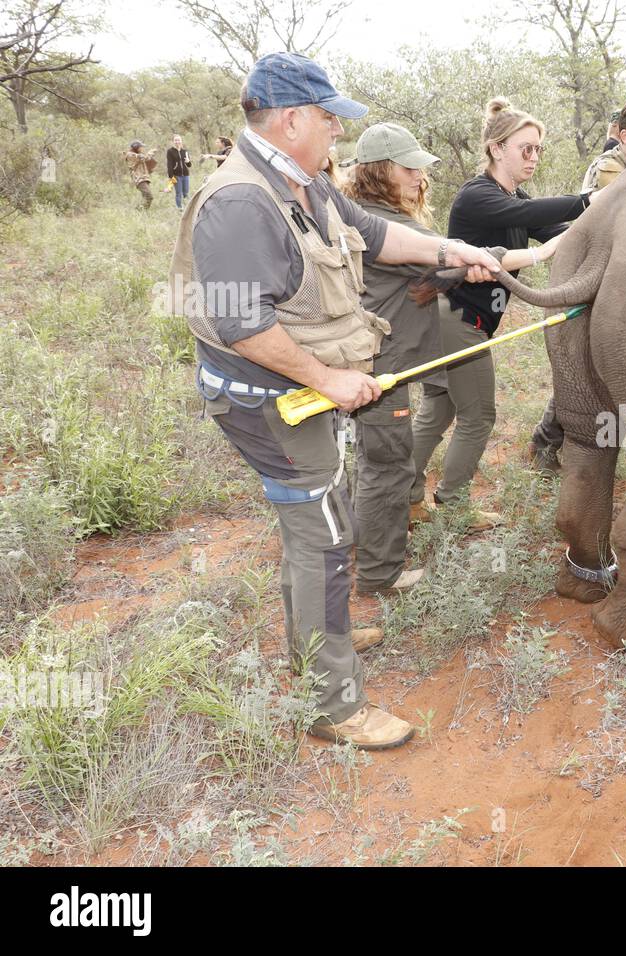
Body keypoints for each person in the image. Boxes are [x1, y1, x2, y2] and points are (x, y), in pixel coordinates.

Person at [169, 53, 502, 750]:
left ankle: (314, 645)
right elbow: (242, 325)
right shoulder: (239, 201)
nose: (335, 135)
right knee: (324, 534)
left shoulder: (301, 182)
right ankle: (334, 703)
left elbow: (378, 235)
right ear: (291, 120)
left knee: (309, 524)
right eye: (327, 119)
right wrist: (328, 378)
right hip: (269, 400)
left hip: (294, 393)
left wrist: (456, 248)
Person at [341, 122, 561, 592]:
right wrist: (538, 256)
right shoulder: (381, 221)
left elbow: (445, 265)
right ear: (380, 171)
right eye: (409, 168)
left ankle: (402, 510)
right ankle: (380, 571)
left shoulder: (372, 212)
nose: (421, 177)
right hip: (383, 355)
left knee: (400, 443)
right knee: (386, 461)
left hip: (395, 349)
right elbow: (454, 259)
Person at [408, 97, 589, 526]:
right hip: (457, 320)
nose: (534, 157)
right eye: (525, 147)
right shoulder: (478, 195)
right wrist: (590, 200)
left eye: (539, 149)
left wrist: (602, 219)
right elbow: (528, 215)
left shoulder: (513, 196)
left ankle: (403, 495)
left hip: (457, 319)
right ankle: (453, 506)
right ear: (496, 149)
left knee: (439, 409)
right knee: (479, 415)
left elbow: (552, 228)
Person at [527, 97, 626, 474]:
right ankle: (545, 440)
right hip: (594, 277)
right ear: (624, 136)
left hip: (617, 277)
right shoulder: (613, 170)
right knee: (582, 368)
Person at [124, 140, 157, 209]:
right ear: (136, 147)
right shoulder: (130, 155)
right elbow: (143, 157)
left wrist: (151, 153)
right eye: (141, 147)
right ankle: (139, 210)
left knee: (145, 197)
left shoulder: (138, 154)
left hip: (144, 178)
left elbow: (146, 158)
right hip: (139, 179)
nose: (142, 148)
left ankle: (141, 211)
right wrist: (149, 153)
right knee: (149, 196)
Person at [166, 134, 192, 209]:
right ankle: (180, 209)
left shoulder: (185, 151)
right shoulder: (170, 151)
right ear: (173, 141)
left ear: (181, 141)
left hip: (186, 175)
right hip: (176, 176)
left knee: (186, 193)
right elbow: (169, 164)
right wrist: (171, 177)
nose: (177, 142)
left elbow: (189, 165)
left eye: (179, 140)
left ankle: (188, 208)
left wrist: (188, 161)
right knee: (178, 193)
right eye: (175, 140)